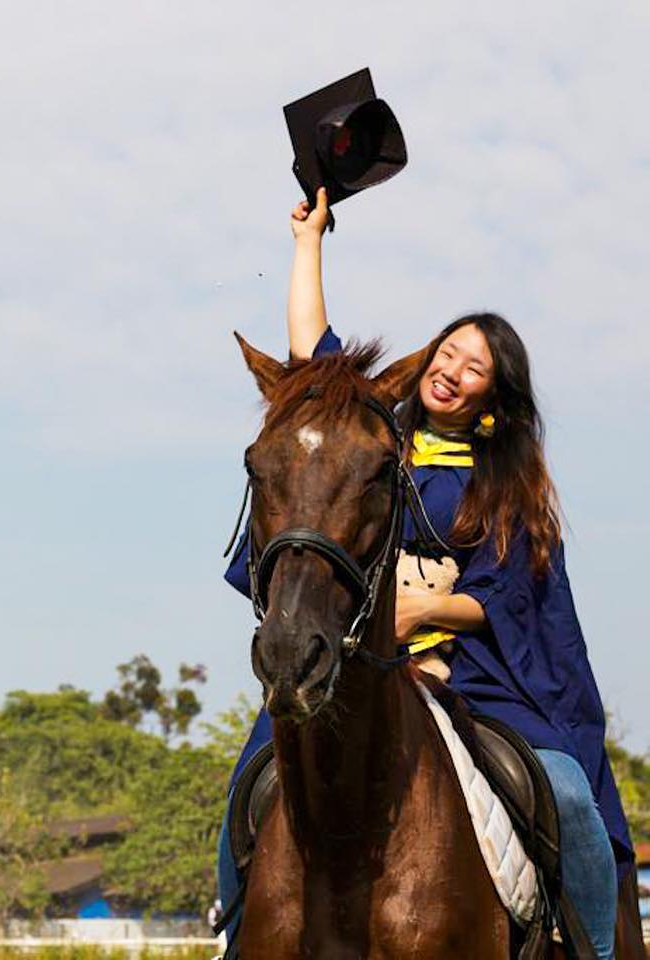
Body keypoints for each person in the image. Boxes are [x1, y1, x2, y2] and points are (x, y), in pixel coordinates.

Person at [216, 189, 632, 958]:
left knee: (571, 798)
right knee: (250, 787)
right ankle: (234, 936)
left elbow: (513, 594)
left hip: (476, 676)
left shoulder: (503, 484)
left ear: (492, 397)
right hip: (352, 661)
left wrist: (423, 614)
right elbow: (311, 356)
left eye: (474, 368)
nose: (451, 371)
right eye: (448, 353)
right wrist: (308, 243)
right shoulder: (371, 440)